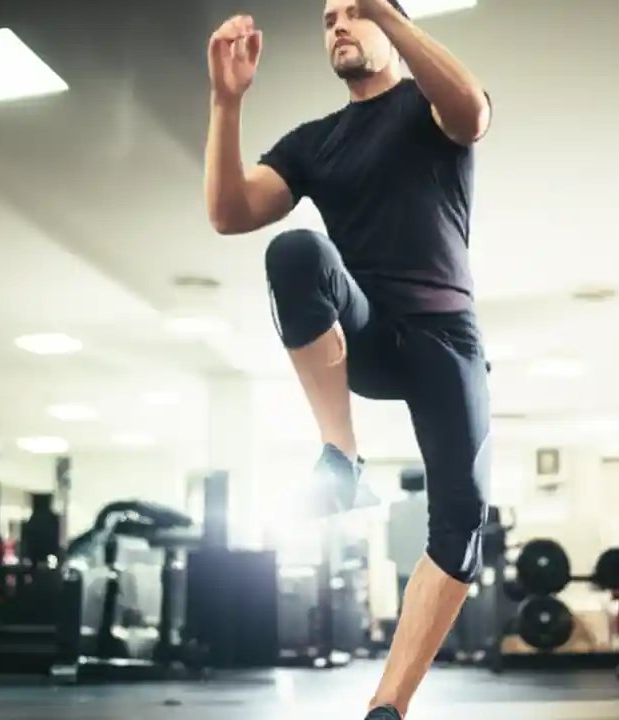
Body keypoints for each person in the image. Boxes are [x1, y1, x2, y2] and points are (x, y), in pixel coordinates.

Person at [203, 0, 492, 717]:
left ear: (388, 20)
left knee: (462, 520)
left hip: (445, 339)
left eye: (355, 11)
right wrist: (225, 100)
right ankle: (341, 455)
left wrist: (391, 18)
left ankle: (386, 707)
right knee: (295, 250)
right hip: (365, 336)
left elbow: (472, 113)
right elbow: (230, 211)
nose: (339, 22)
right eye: (329, 14)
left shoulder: (426, 106)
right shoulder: (316, 142)